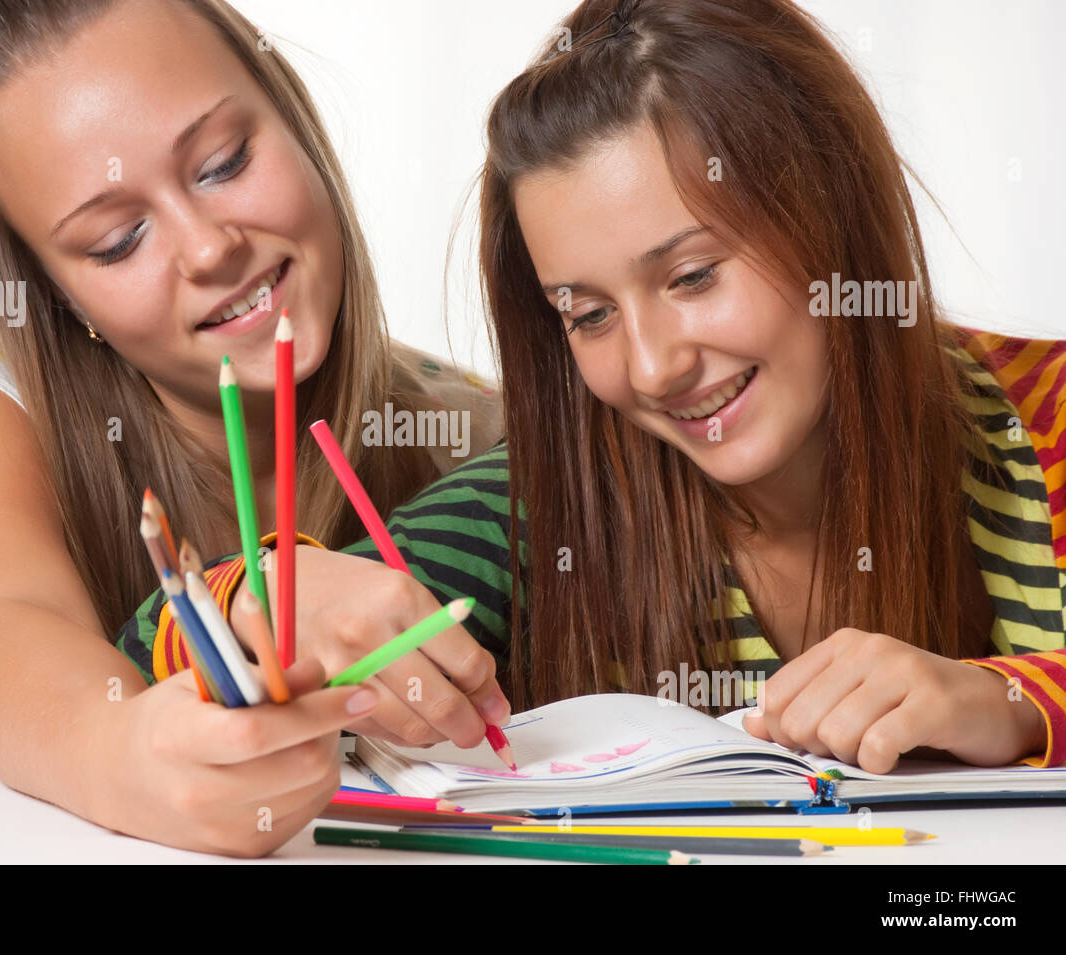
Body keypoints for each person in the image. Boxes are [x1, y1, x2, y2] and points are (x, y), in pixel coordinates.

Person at [188, 0, 1065, 775]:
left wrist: (1010, 705)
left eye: (691, 277)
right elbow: (153, 637)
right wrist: (276, 592)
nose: (651, 369)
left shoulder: (1046, 407)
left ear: (833, 223)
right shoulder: (540, 508)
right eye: (589, 314)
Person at [0, 0, 506, 857]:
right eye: (117, 239)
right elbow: (1, 618)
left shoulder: (468, 424)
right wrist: (121, 747)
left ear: (296, 123)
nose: (209, 248)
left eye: (223, 162)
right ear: (59, 299)